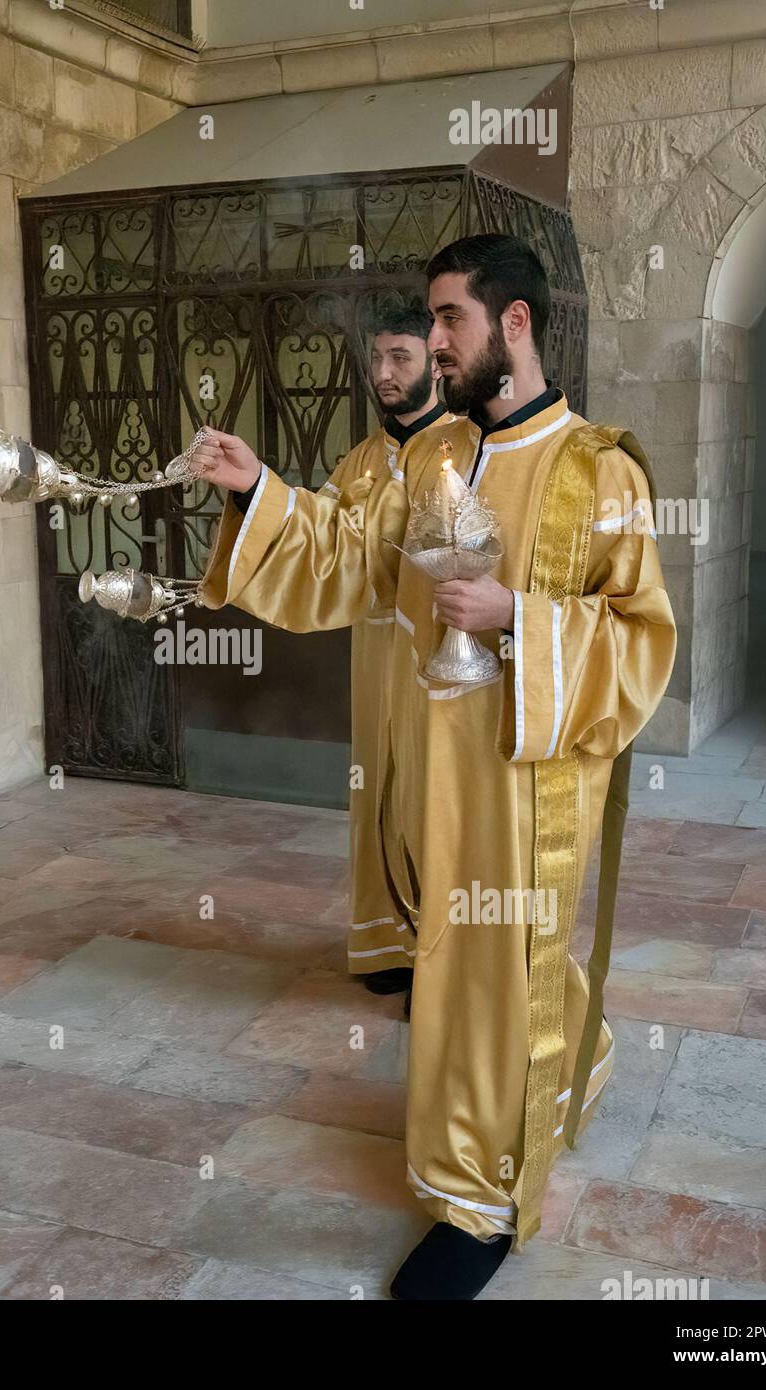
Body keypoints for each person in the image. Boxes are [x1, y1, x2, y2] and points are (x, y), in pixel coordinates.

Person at [195, 233, 676, 1299]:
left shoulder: (596, 469)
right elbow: (353, 562)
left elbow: (641, 640)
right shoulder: (432, 460)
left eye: (450, 319)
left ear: (514, 323)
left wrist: (520, 620)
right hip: (434, 766)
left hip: (525, 773)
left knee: (499, 972)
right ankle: (554, 1079)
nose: (434, 341)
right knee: (458, 968)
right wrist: (258, 490)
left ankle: (486, 1199)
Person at [291, 307, 455, 1001]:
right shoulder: (359, 459)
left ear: (435, 363)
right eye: (377, 358)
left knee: (433, 798)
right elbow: (321, 541)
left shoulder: (465, 449)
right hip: (373, 653)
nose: (384, 374)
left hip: (441, 653)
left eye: (401, 358)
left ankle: (444, 960)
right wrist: (259, 504)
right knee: (377, 794)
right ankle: (389, 943)